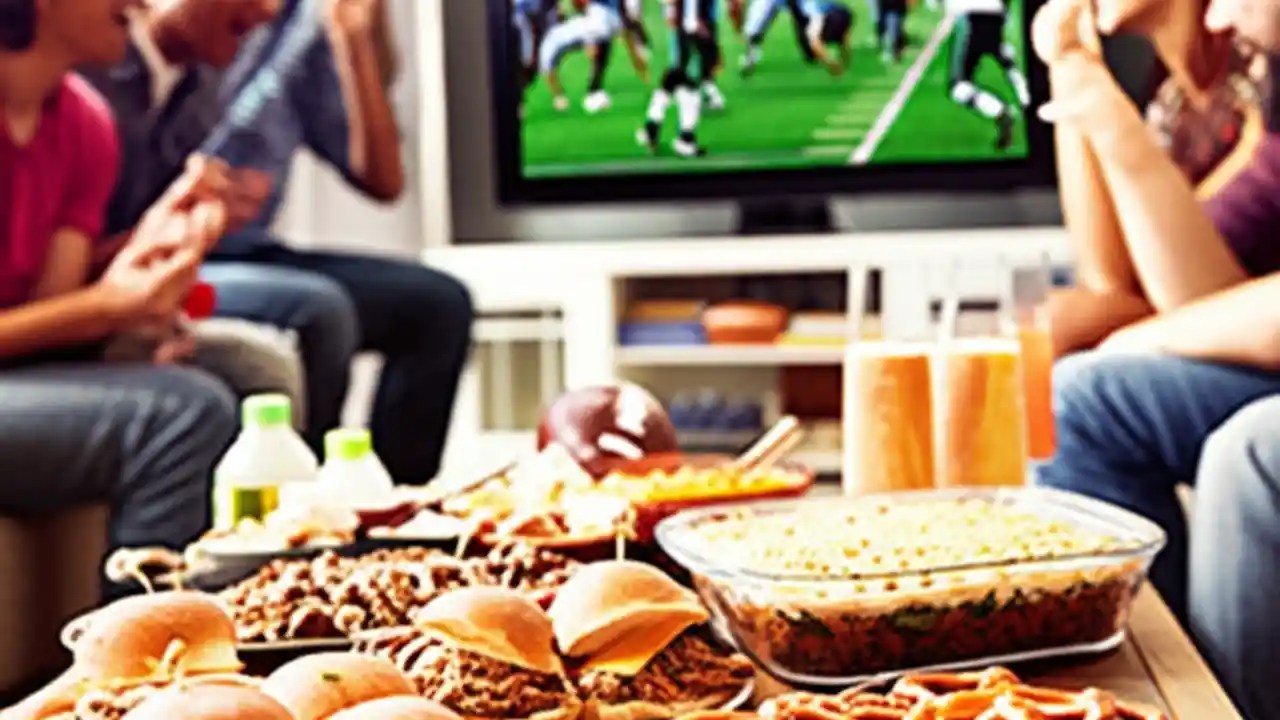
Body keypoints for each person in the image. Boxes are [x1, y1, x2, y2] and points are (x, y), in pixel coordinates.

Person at [84, 0, 474, 486]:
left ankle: (392, 514)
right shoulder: (111, 57)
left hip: (246, 250)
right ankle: (310, 519)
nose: (267, 12)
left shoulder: (275, 39)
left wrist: (353, 38)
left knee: (436, 305)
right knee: (318, 310)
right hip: (172, 260)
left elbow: (384, 181)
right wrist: (186, 219)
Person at [1032, 0, 1280, 716]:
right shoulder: (1180, 97)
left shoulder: (1248, 81)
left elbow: (1188, 293)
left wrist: (1144, 332)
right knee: (1075, 378)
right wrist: (1076, 77)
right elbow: (1110, 275)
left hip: (1247, 358)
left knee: (1245, 449)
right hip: (1241, 343)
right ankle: (1126, 697)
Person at [0, 0, 237, 553]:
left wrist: (150, 243)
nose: (137, 3)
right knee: (183, 414)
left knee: (251, 366)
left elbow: (48, 308)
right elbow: (75, 313)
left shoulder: (84, 123)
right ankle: (142, 638)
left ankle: (268, 621)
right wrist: (111, 308)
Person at [945, 0, 1030, 150]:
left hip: (970, 16)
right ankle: (1027, 99)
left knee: (958, 85)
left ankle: (998, 110)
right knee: (1006, 61)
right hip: (996, 13)